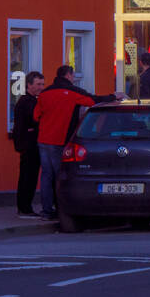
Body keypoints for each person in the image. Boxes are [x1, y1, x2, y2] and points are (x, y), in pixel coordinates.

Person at [33, 65, 119, 221]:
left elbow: (36, 116)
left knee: (46, 175)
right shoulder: (72, 93)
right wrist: (113, 97)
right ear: (68, 75)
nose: (73, 79)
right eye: (72, 76)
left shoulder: (45, 93)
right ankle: (62, 210)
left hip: (43, 140)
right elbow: (92, 100)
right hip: (60, 141)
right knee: (61, 176)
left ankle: (46, 210)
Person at [11, 71, 44, 218]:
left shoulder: (29, 101)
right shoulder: (27, 102)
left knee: (29, 176)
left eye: (42, 84)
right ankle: (25, 208)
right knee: (28, 177)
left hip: (27, 143)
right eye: (38, 84)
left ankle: (25, 207)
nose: (41, 87)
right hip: (28, 144)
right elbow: (34, 120)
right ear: (29, 85)